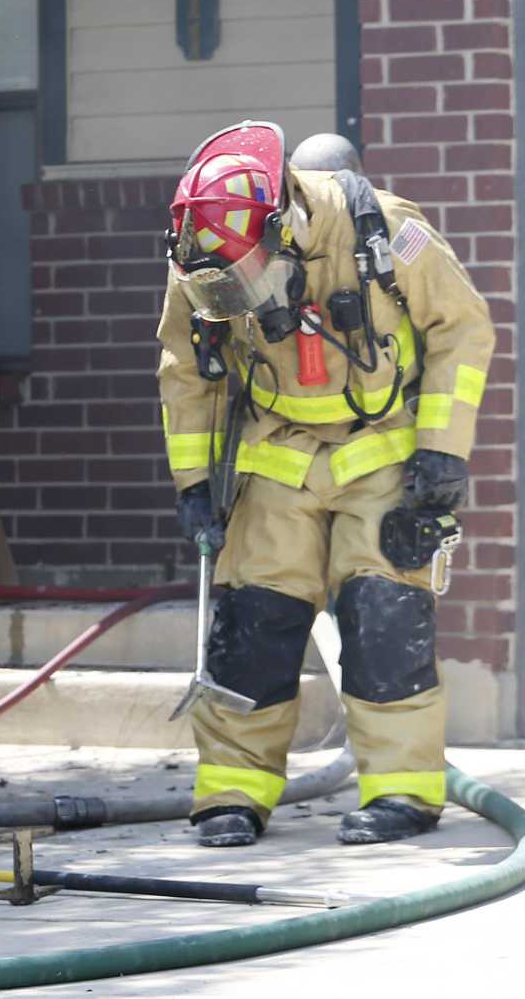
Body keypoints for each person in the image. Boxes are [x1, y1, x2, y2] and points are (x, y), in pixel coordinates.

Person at [159, 120, 492, 847]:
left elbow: (462, 328)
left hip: (379, 452)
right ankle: (232, 793)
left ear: (288, 218)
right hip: (276, 455)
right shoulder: (206, 251)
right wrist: (193, 483)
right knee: (251, 624)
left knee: (384, 617)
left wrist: (443, 453)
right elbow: (187, 370)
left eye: (250, 271)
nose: (238, 288)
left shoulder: (390, 232)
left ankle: (403, 790)